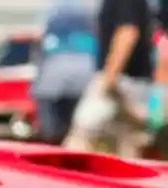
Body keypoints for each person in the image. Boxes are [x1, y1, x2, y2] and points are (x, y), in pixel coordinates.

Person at [64, 0, 154, 156]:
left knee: (81, 138)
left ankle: (64, 180)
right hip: (133, 82)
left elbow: (128, 31)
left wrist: (109, 77)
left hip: (122, 81)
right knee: (127, 146)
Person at [32, 0, 98, 144]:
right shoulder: (93, 7)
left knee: (53, 137)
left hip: (52, 80)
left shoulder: (54, 8)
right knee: (83, 136)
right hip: (86, 78)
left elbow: (40, 39)